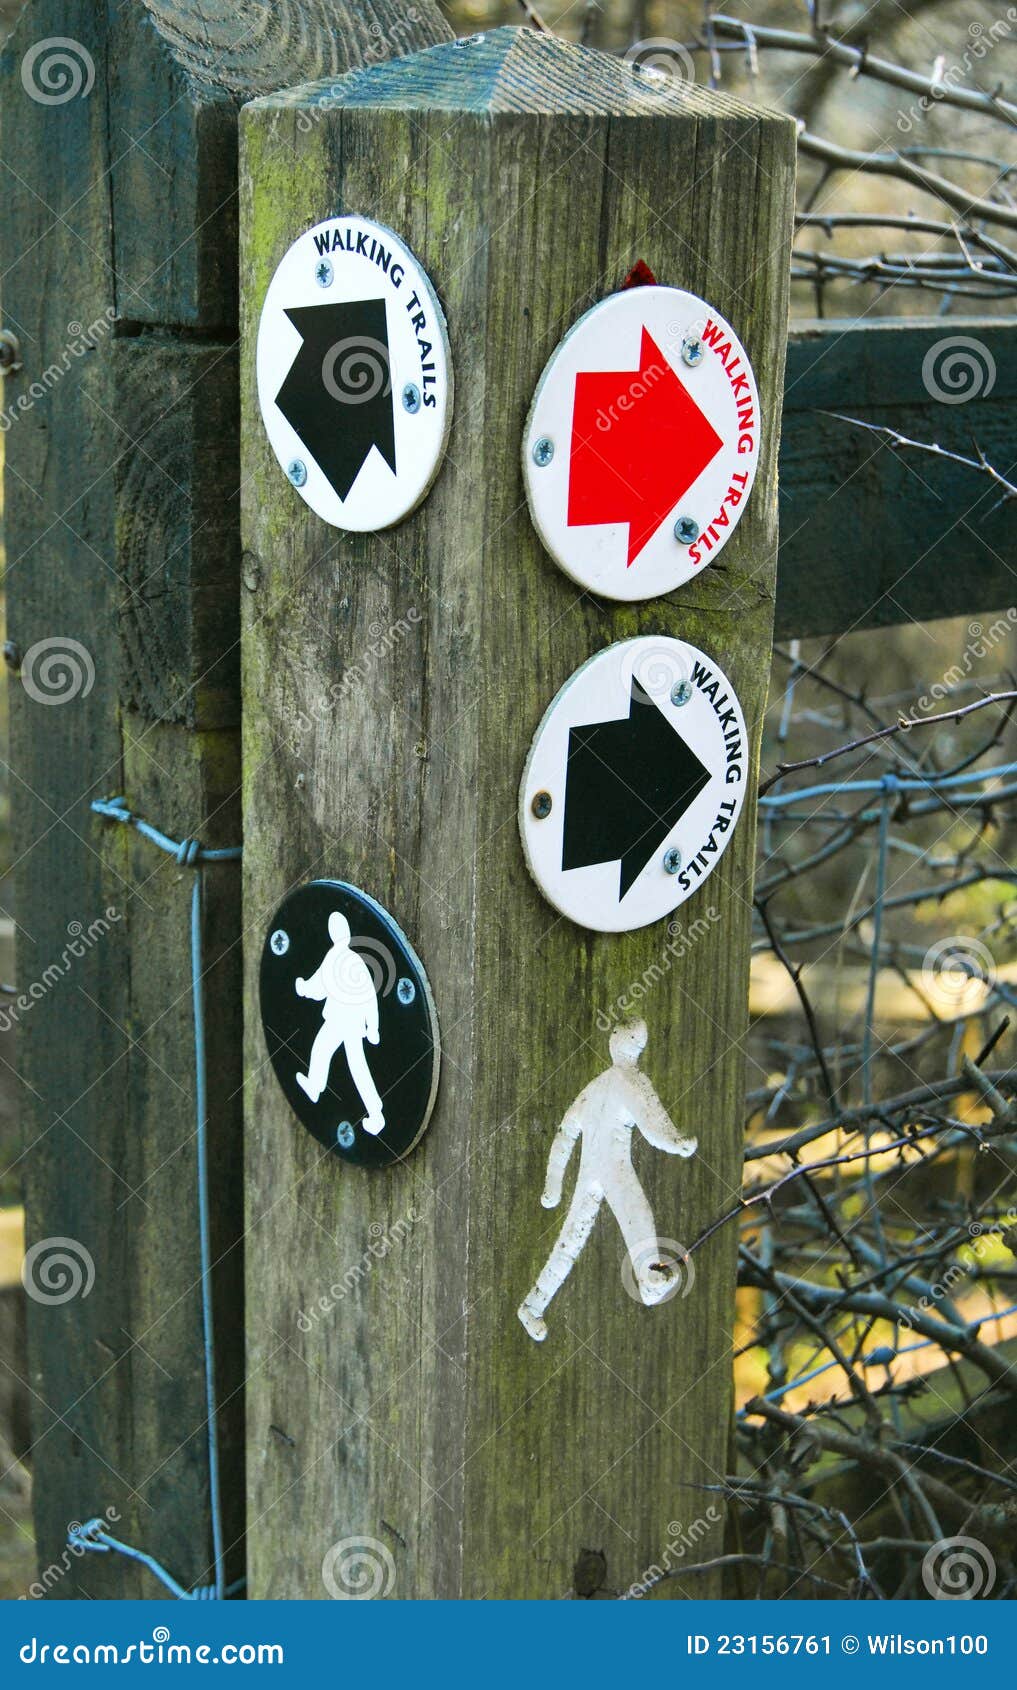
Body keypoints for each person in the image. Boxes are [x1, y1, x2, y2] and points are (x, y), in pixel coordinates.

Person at [518, 1020, 696, 1341]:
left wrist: (554, 1184)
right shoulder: (626, 1081)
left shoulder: (600, 1084)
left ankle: (534, 1304)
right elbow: (651, 1124)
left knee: (570, 1241)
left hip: (593, 1170)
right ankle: (648, 1282)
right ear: (636, 1045)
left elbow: (565, 1135)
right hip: (610, 1170)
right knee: (634, 1220)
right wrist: (676, 1143)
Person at [295, 911, 385, 1135]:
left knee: (353, 1064)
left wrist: (373, 1027)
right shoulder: (342, 957)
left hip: (346, 1021)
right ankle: (316, 1087)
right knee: (325, 1051)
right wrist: (305, 988)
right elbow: (321, 985)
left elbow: (321, 988)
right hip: (342, 1020)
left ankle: (376, 1114)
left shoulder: (342, 959)